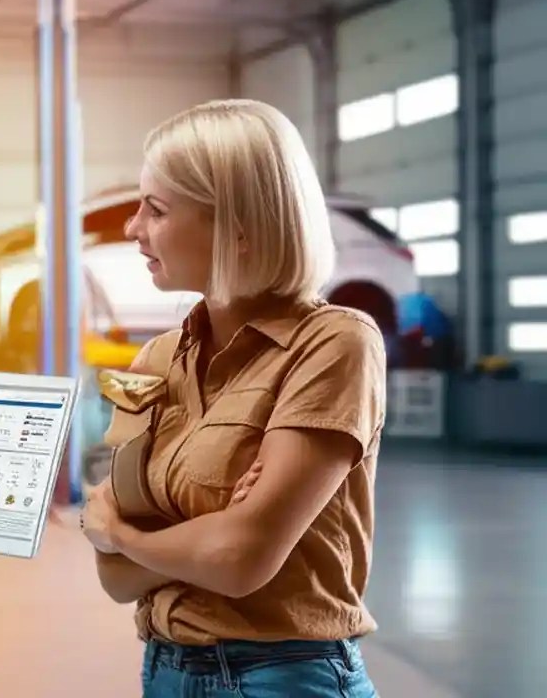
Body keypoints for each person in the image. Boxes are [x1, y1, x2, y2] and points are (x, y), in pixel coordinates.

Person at [81, 99, 383, 698]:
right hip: (165, 671)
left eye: (157, 209)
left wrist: (129, 535)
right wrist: (203, 534)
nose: (133, 228)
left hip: (287, 678)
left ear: (239, 228)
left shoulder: (335, 343)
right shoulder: (157, 361)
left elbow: (240, 559)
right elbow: (114, 579)